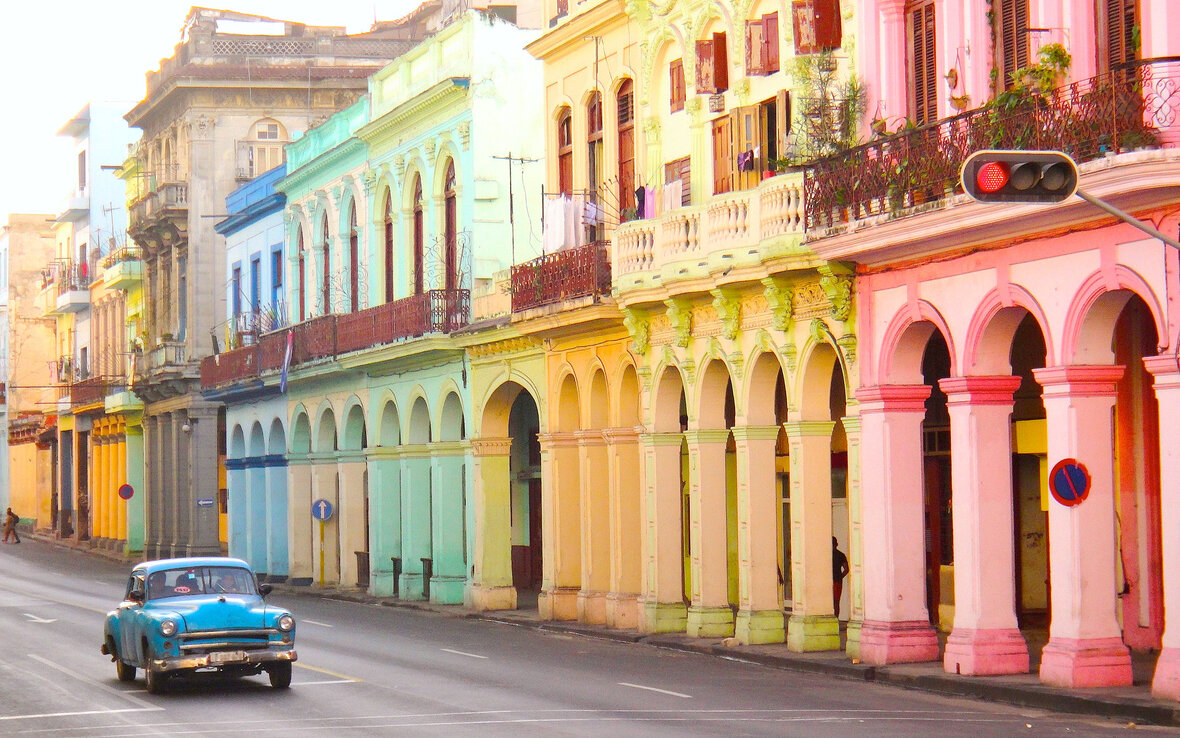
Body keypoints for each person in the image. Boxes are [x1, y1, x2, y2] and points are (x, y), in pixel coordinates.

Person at [832, 536, 849, 619]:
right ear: (837, 544)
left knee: (833, 601)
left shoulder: (825, 555)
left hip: (832, 581)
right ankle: (836, 619)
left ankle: (834, 618)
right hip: (837, 580)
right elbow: (846, 569)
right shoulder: (841, 555)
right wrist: (840, 577)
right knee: (836, 601)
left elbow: (846, 569)